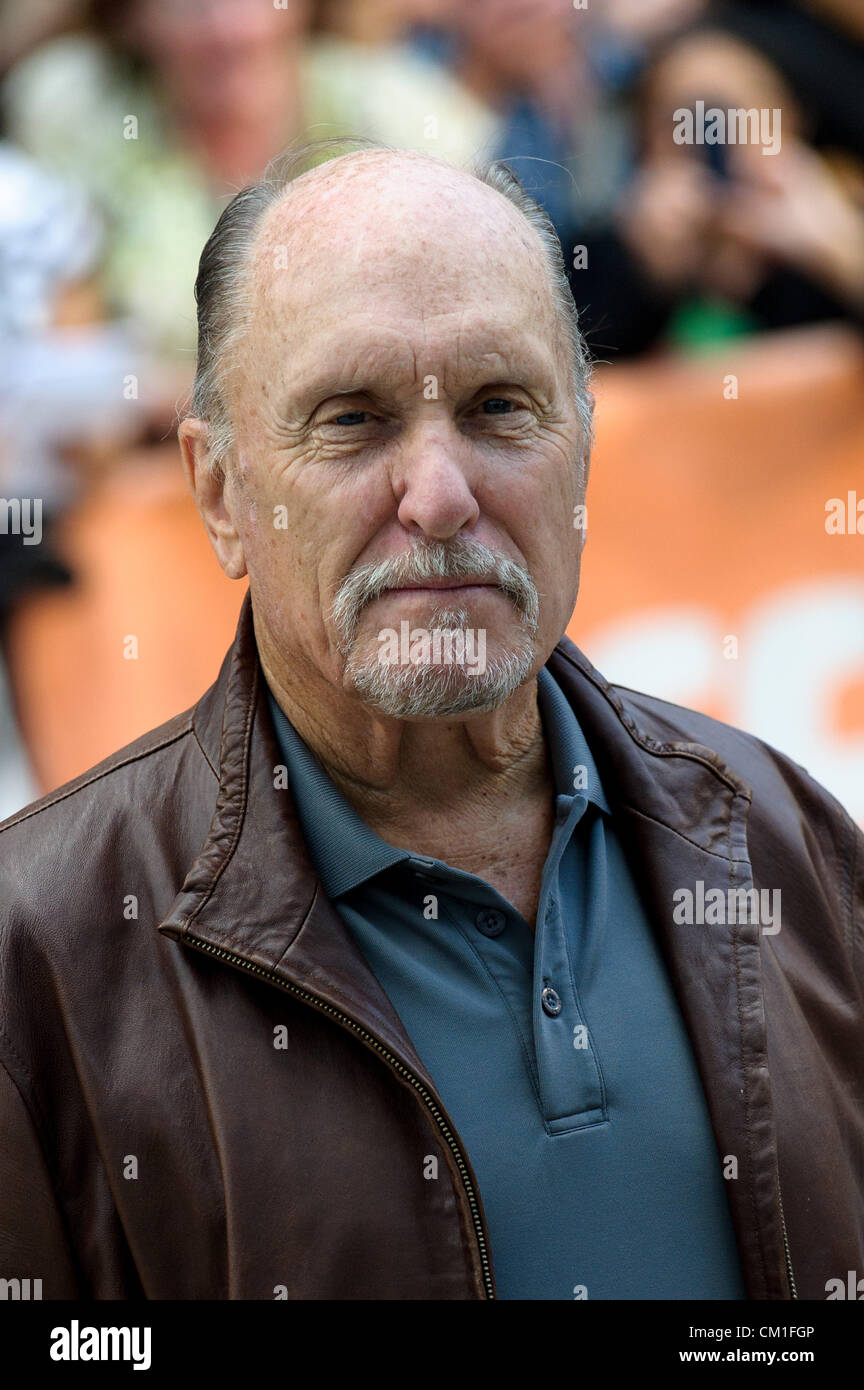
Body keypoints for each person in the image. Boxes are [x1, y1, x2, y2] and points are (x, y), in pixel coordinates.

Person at [0, 140, 861, 1301]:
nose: (443, 495)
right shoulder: (38, 956)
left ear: (584, 455)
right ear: (220, 494)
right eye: (351, 420)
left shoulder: (786, 840)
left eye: (501, 405)